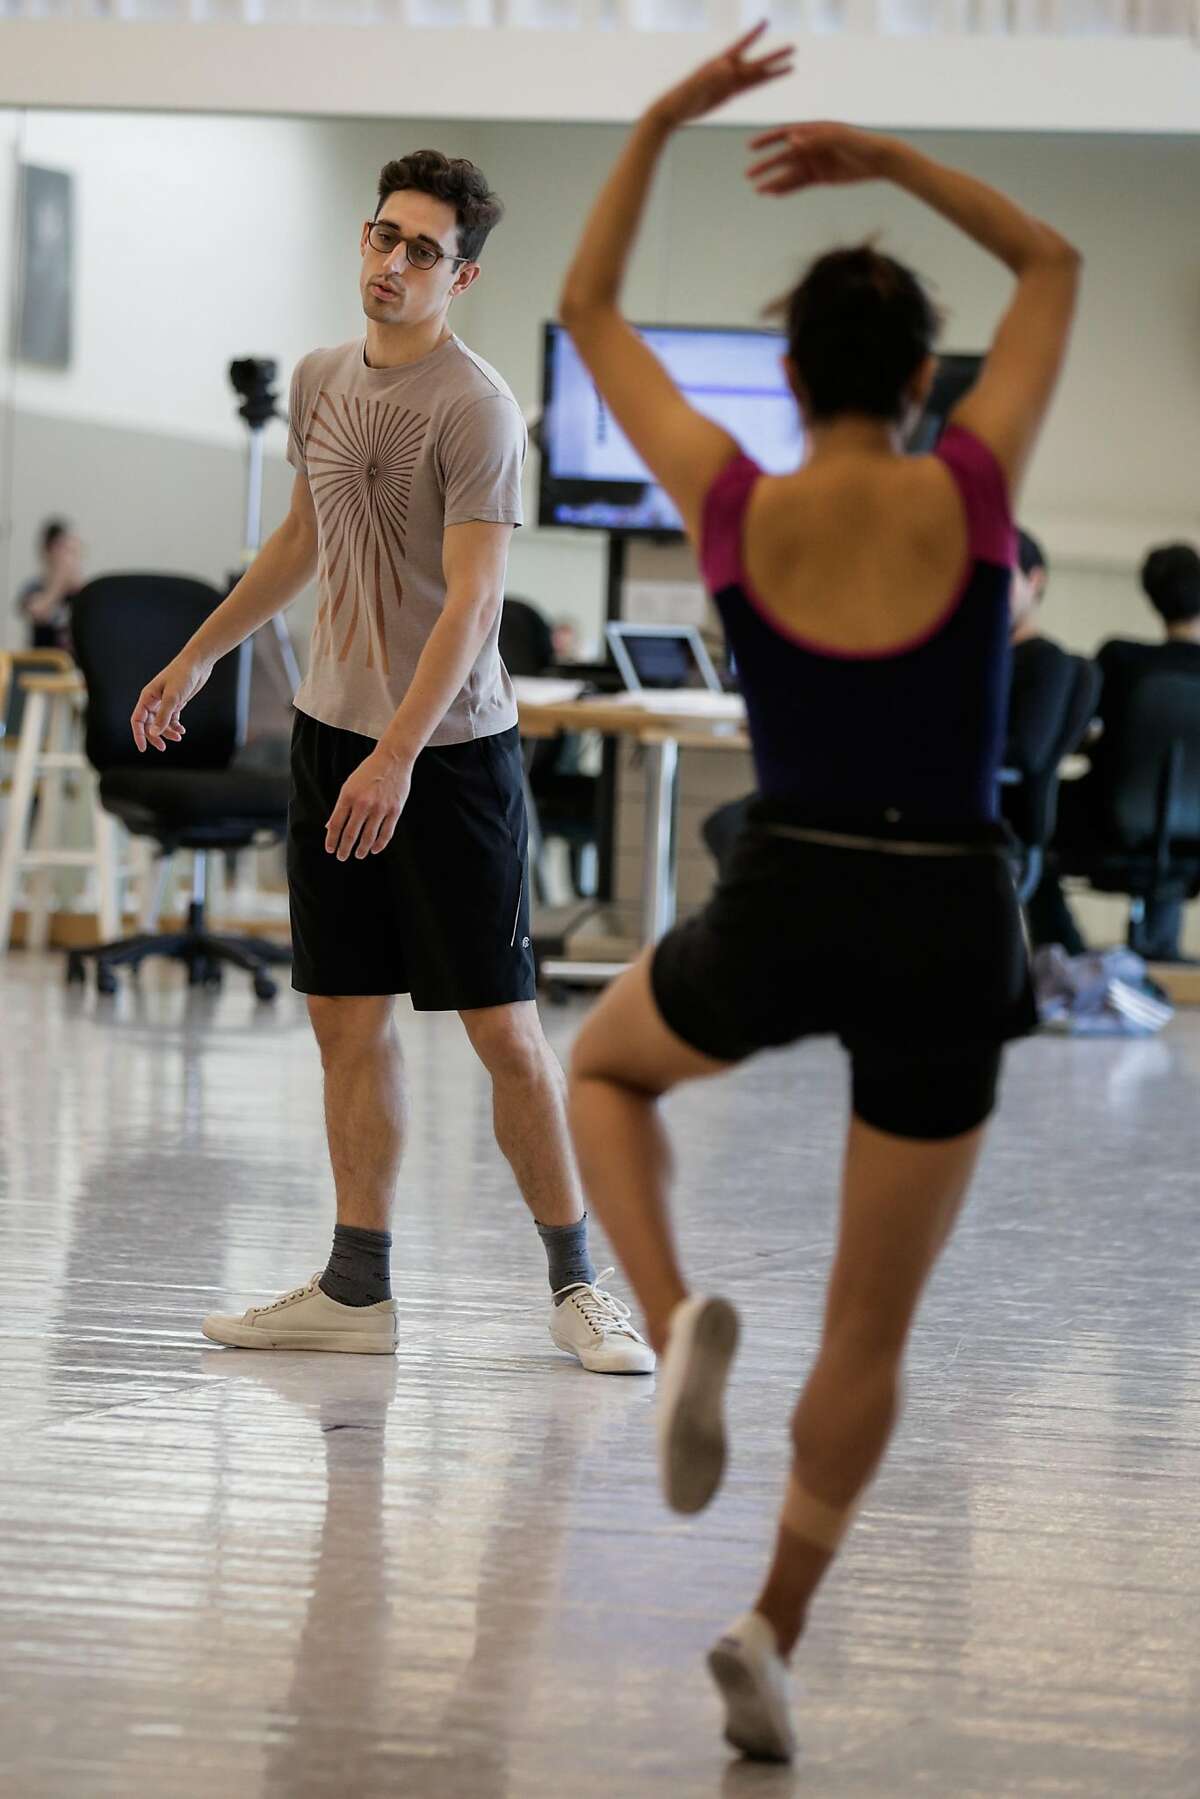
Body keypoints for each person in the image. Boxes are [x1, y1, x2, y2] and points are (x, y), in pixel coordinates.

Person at [559, 27, 1080, 1761]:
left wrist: (658, 117)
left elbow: (589, 311)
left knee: (608, 1070)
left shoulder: (732, 493)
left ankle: (680, 1290)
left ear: (786, 371)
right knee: (874, 1324)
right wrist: (891, 162)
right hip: (953, 910)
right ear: (927, 374)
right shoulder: (978, 484)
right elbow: (1056, 260)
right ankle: (770, 1628)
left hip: (786, 885)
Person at [129, 149, 652, 1377]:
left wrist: (401, 755)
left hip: (450, 752)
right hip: (331, 735)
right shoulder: (320, 381)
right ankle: (357, 1287)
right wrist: (202, 654)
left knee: (503, 1029)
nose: (393, 264)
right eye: (382, 237)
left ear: (458, 274)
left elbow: (475, 603)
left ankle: (579, 1282)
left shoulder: (476, 408)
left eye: (423, 250)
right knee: (344, 1020)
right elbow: (302, 540)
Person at [1033, 541, 1200, 961]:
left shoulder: (1122, 658)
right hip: (1192, 837)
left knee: (1029, 821)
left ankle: (1064, 951)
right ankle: (1160, 949)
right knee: (1172, 821)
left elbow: (1085, 735)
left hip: (1109, 824)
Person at [15, 519, 82, 651]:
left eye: (72, 551)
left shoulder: (83, 593)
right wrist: (58, 581)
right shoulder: (33, 587)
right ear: (48, 550)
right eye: (62, 550)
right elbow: (38, 614)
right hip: (43, 663)